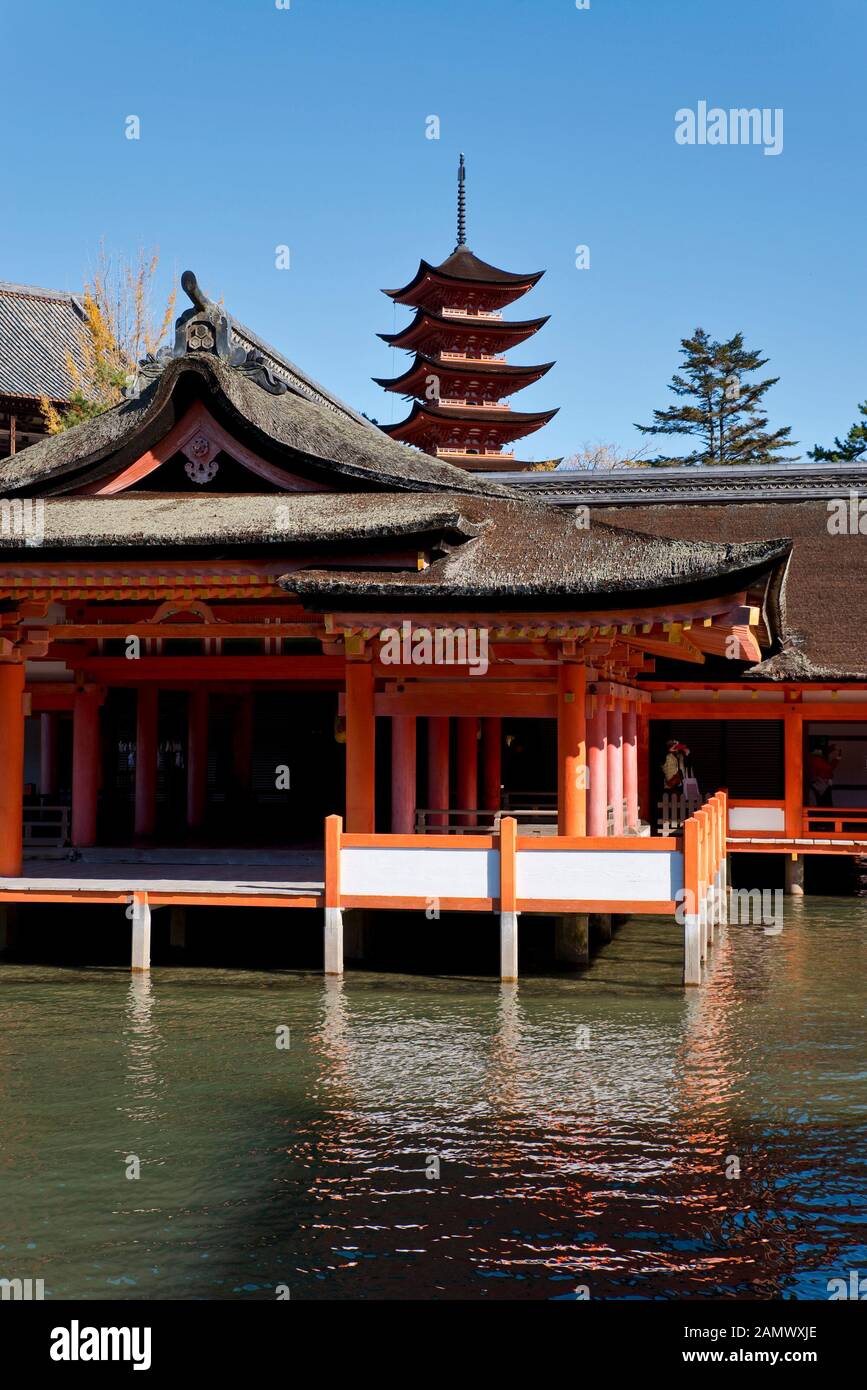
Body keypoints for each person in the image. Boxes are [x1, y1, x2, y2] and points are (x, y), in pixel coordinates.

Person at [809, 739, 841, 807]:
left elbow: (825, 752)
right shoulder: (816, 758)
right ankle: (826, 815)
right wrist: (837, 759)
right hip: (822, 781)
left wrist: (834, 747)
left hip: (820, 781)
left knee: (822, 799)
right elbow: (829, 767)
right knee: (825, 800)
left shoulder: (814, 756)